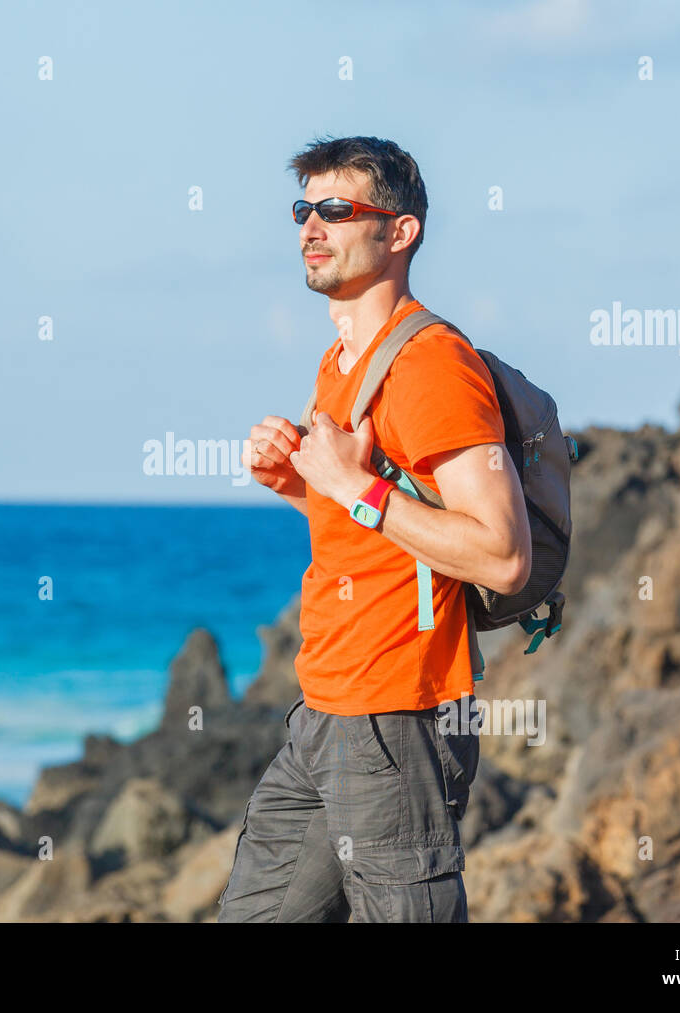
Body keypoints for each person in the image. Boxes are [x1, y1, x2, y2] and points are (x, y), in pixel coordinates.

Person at [218, 136, 531, 923]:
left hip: (398, 721)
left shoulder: (432, 365)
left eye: (336, 210)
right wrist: (302, 484)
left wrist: (351, 485)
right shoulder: (340, 362)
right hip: (322, 708)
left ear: (400, 232)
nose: (310, 228)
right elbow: (371, 530)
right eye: (303, 210)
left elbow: (502, 555)